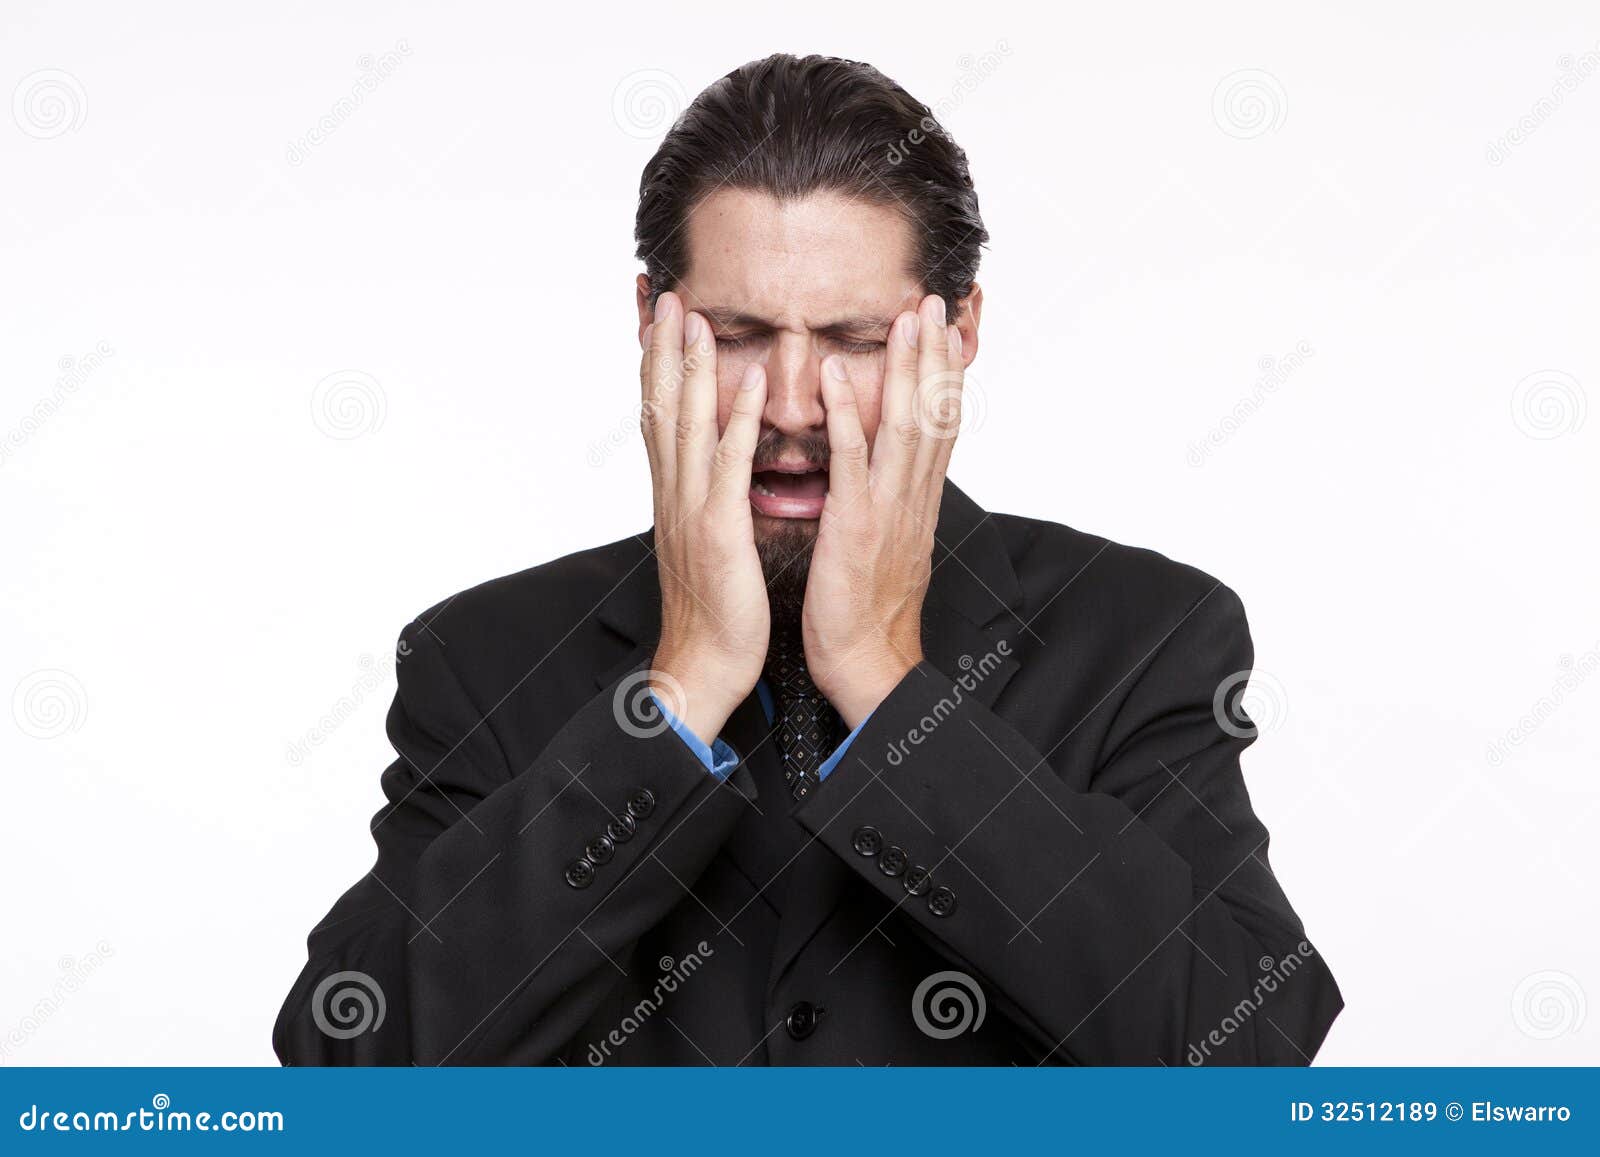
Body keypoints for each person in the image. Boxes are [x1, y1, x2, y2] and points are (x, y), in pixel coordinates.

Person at [275, 52, 1342, 1066]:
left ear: (958, 331)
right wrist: (679, 686)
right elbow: (352, 1061)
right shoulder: (481, 653)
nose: (790, 405)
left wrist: (886, 682)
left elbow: (1240, 1059)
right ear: (651, 321)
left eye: (855, 340)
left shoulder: (1143, 633)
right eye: (736, 333)